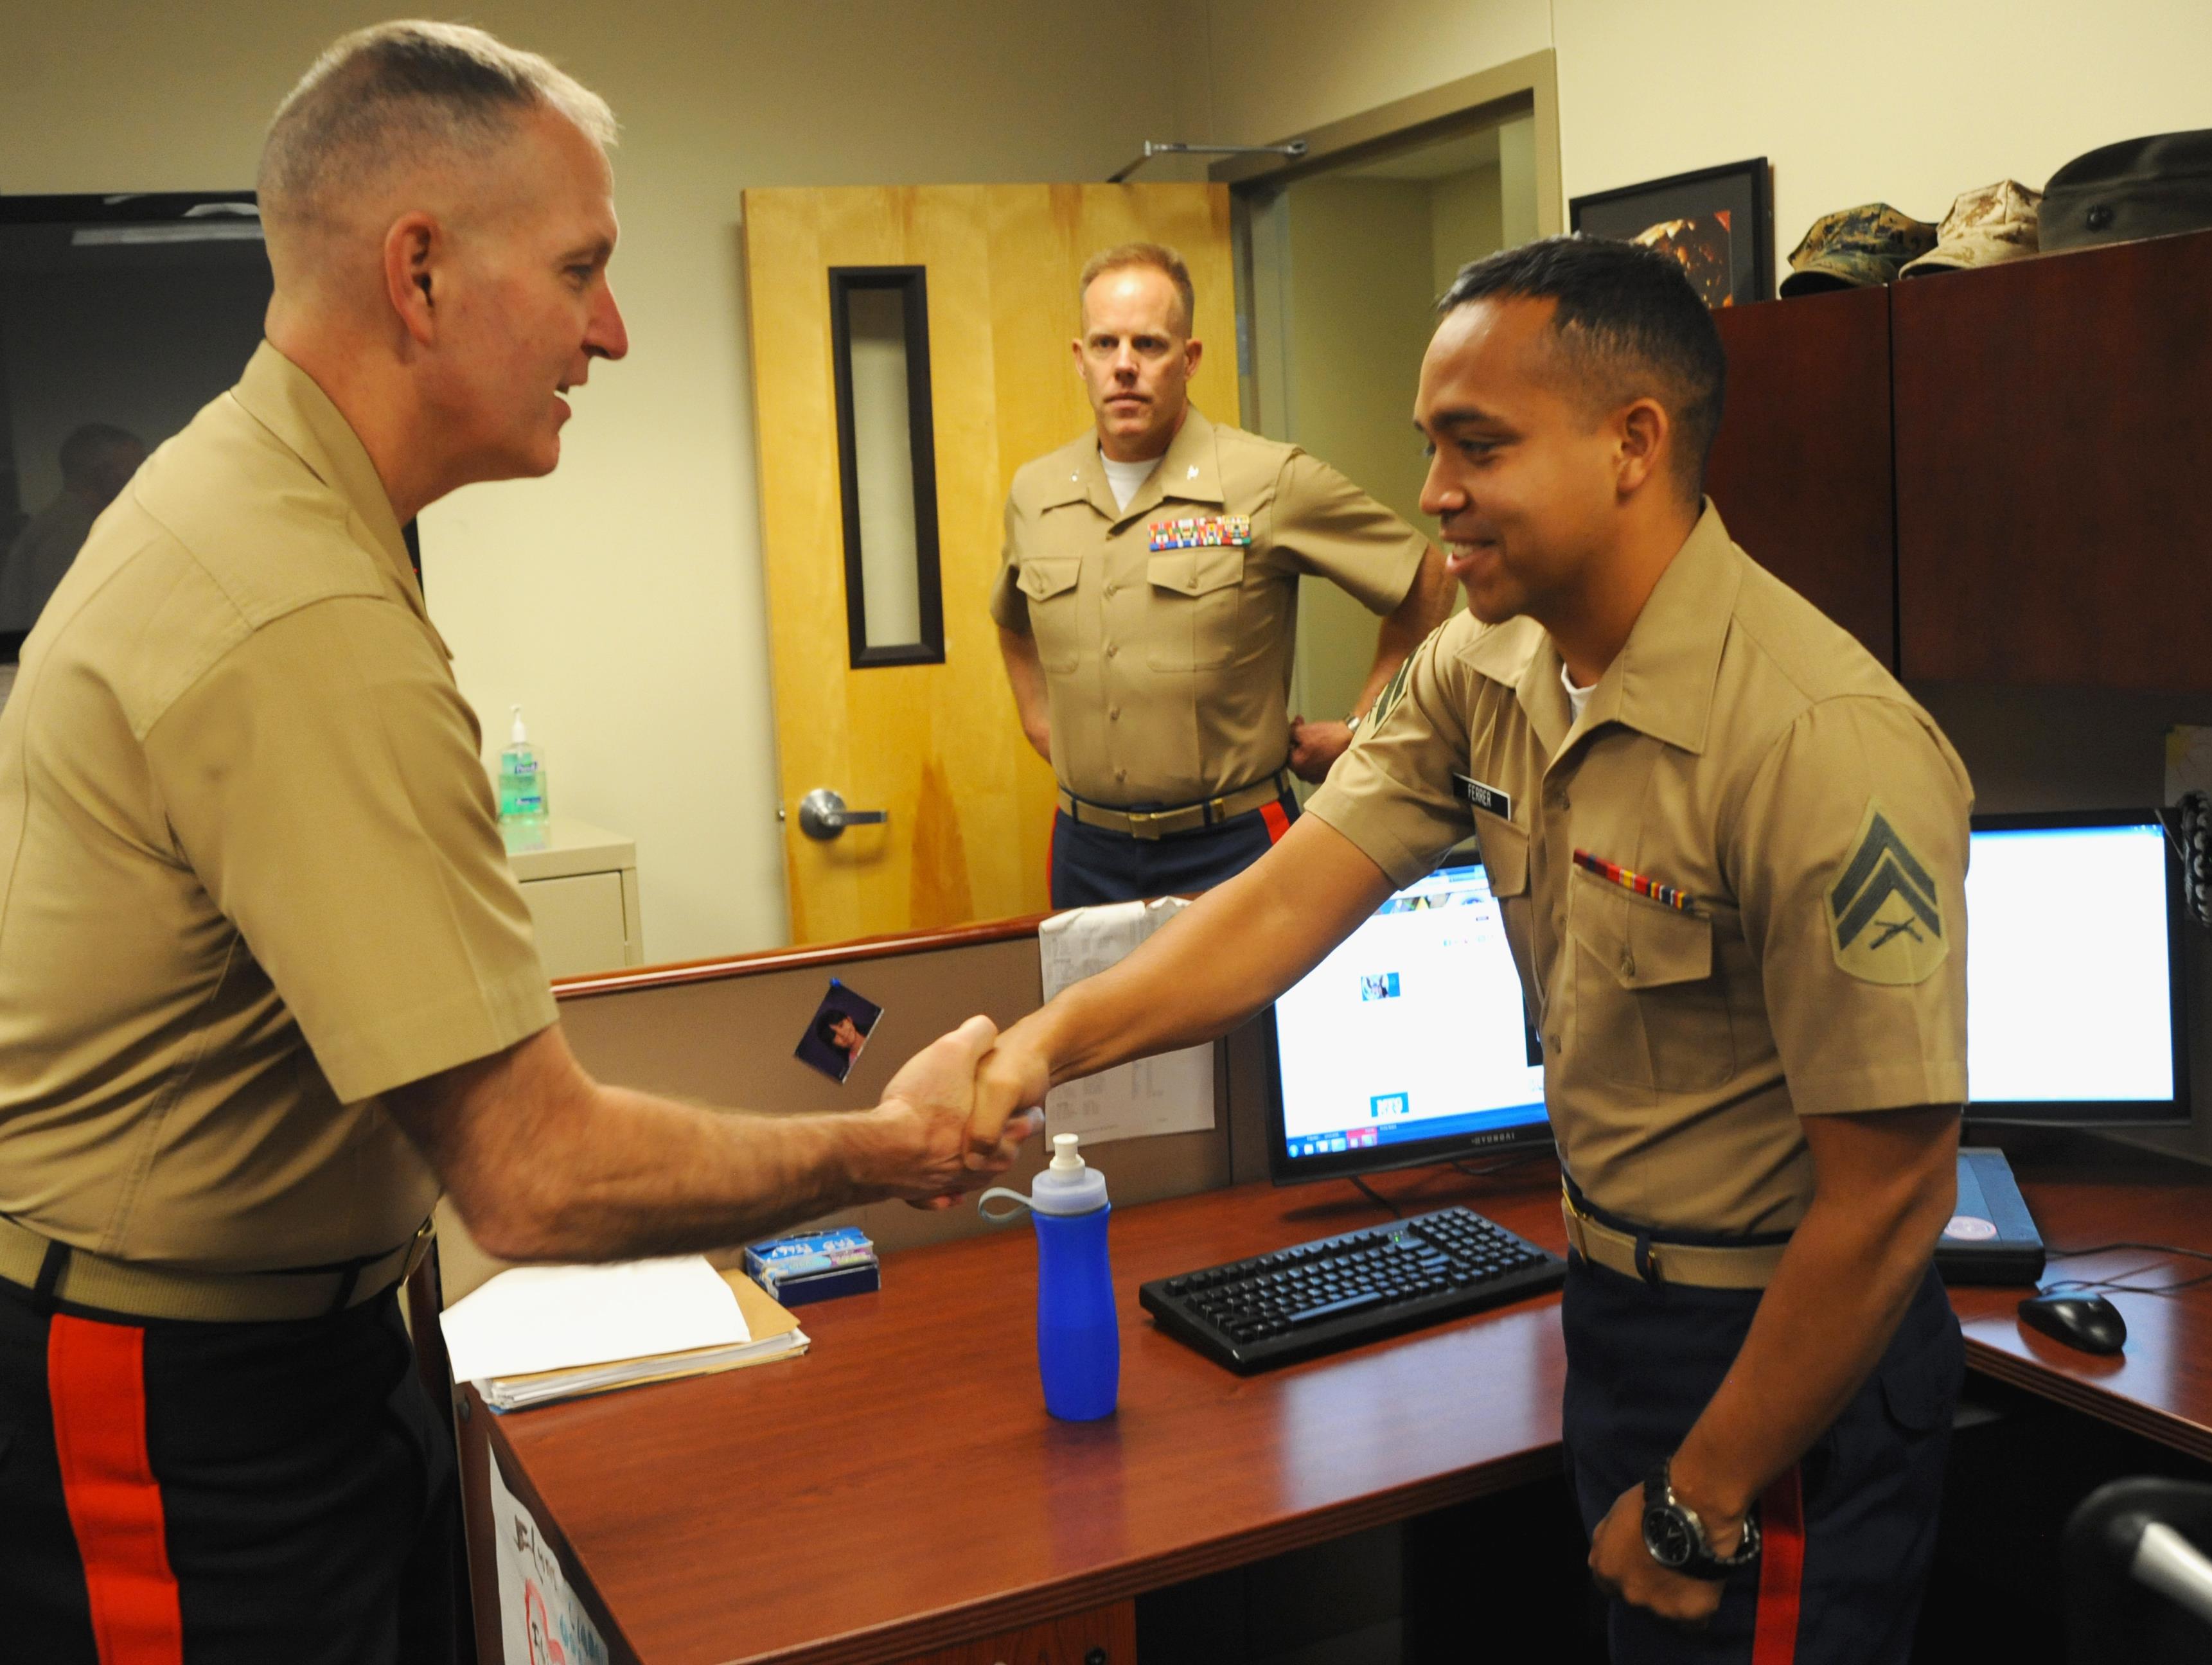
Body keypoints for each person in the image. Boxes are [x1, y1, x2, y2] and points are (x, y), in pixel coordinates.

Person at [0, 24, 1027, 1664]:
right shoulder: (291, 600)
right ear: (418, 271)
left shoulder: (289, 503)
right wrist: (884, 1148)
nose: (611, 332)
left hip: (303, 1346)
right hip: (174, 1405)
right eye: (581, 270)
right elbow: (535, 1177)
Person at [974, 234, 1973, 1663]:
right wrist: (1040, 1048)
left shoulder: (1819, 739)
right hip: (1612, 1307)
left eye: (1475, 447)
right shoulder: (1487, 666)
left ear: (1633, 445)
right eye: (1430, 445)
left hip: (1777, 1365)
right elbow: (1275, 903)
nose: (1434, 493)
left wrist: (1699, 1495)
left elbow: (1890, 1200)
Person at [992, 241, 1456, 908]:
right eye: (1104, 345)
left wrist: (1362, 728)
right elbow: (1012, 622)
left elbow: (1426, 578)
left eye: (1148, 345)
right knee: (1092, 1016)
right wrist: (1042, 727)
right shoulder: (1036, 492)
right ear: (1079, 359)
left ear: (1189, 359)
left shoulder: (1266, 479)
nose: (1124, 366)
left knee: (1247, 1019)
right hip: (1085, 848)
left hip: (1232, 845)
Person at [0, 421, 146, 636]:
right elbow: (61, 630)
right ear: (104, 473)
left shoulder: (65, 522)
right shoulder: (71, 533)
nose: (143, 478)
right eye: (135, 469)